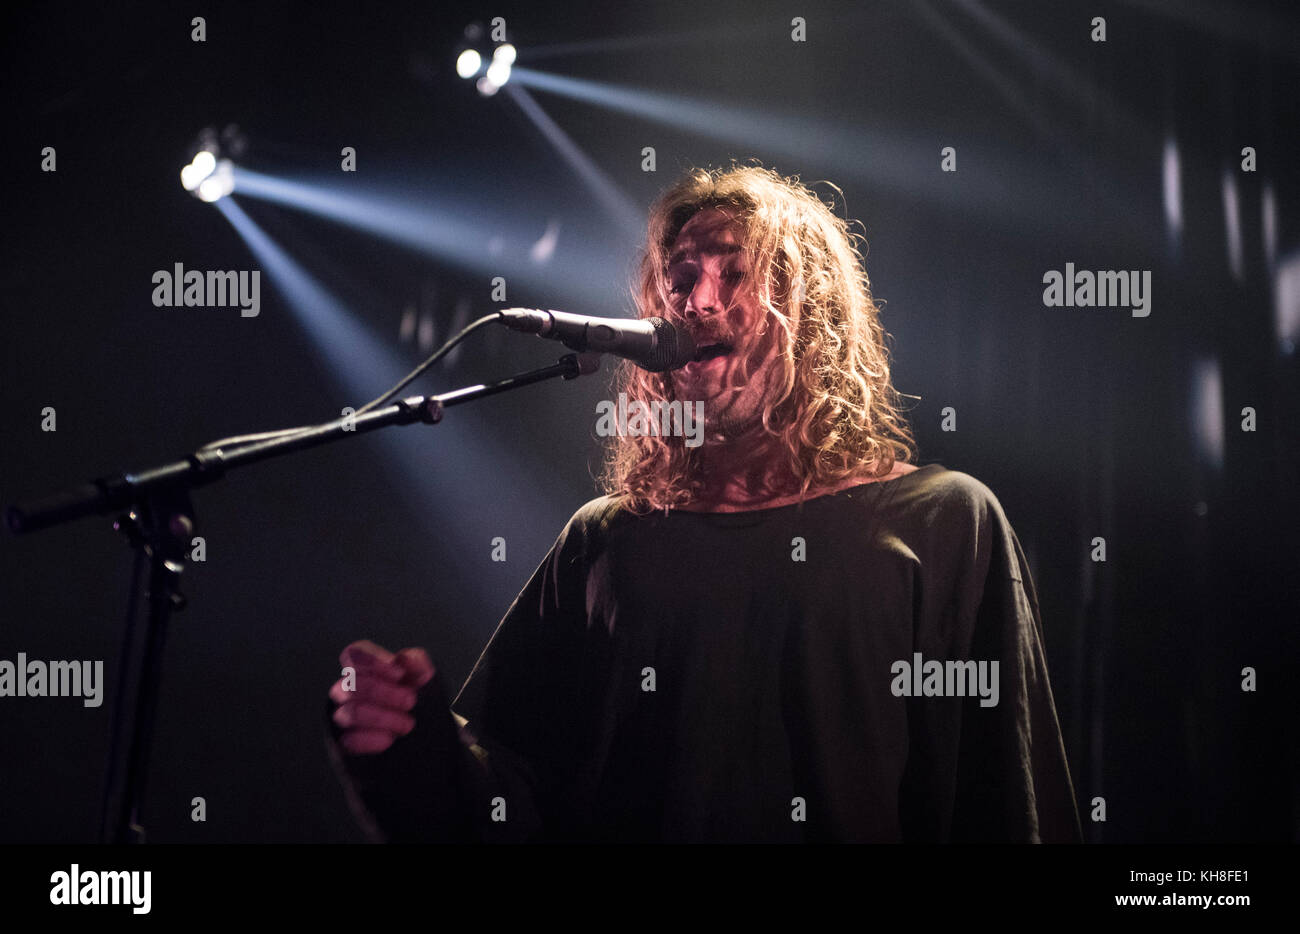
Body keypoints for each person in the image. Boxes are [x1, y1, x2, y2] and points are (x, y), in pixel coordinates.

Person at [325, 165, 1083, 843]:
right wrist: (411, 753)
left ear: (809, 314)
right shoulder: (608, 541)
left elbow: (1006, 797)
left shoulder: (943, 522)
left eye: (735, 273)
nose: (698, 300)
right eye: (680, 277)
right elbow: (517, 801)